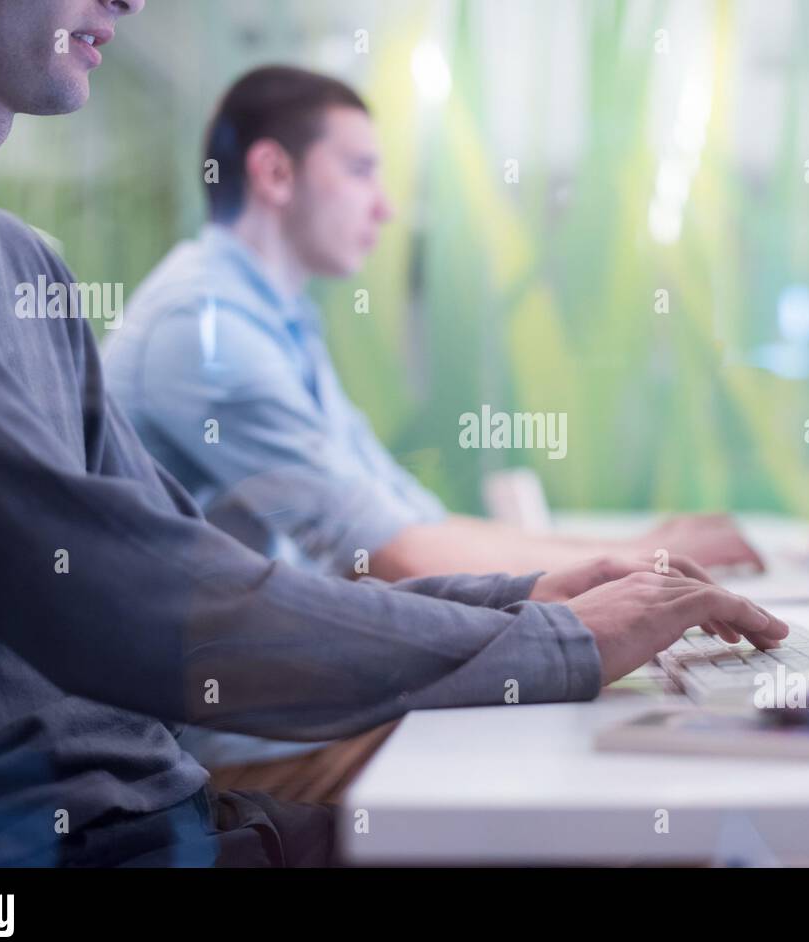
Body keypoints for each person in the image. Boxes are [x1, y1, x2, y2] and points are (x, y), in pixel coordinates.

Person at [0, 0, 788, 867]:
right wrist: (558, 636)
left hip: (167, 806)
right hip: (39, 852)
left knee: (669, 814)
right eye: (361, 170)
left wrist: (524, 597)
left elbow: (180, 556)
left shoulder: (30, 264)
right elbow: (131, 593)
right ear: (272, 173)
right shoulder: (190, 323)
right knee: (654, 823)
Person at [102, 66, 765, 585]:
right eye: (361, 171)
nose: (386, 208)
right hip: (234, 743)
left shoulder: (277, 322)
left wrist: (639, 550)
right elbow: (395, 552)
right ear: (275, 172)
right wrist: (646, 556)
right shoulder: (205, 329)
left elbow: (412, 520)